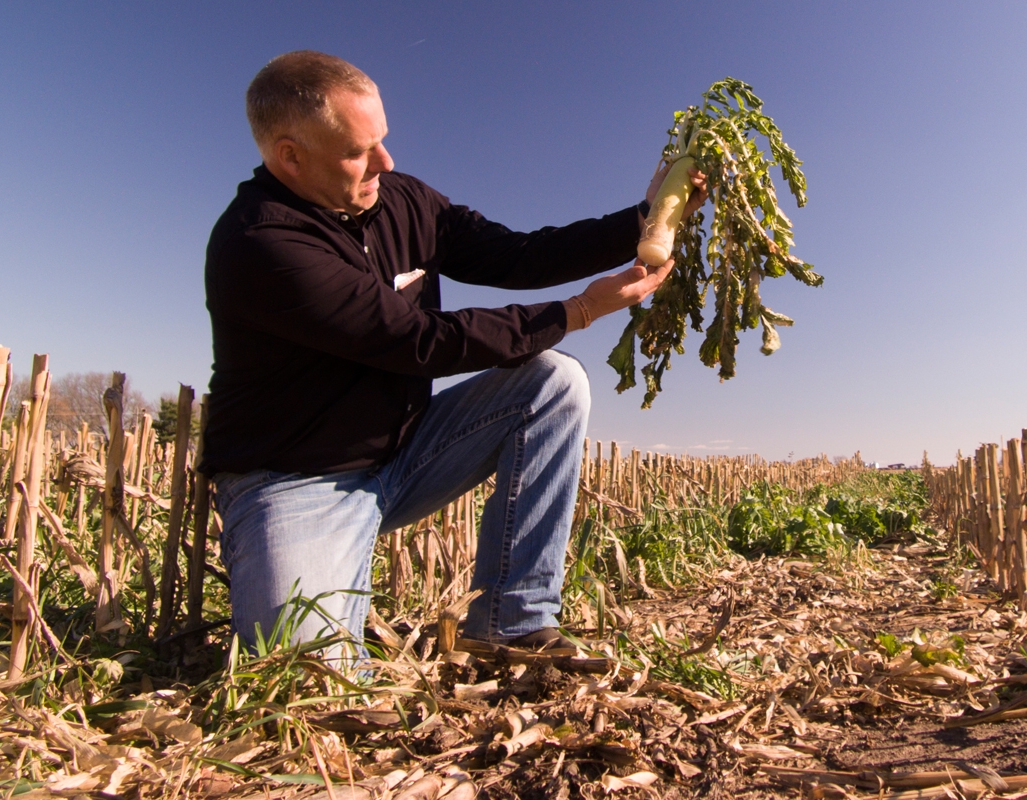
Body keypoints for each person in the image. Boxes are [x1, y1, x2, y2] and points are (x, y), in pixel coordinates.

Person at [200, 50, 704, 654]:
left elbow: (517, 256)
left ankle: (512, 621)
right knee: (310, 673)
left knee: (552, 383)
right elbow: (416, 341)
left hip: (405, 454)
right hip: (296, 479)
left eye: (382, 140)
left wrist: (646, 218)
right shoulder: (260, 242)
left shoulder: (404, 200)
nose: (385, 162)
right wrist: (580, 311)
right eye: (358, 152)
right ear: (289, 155)